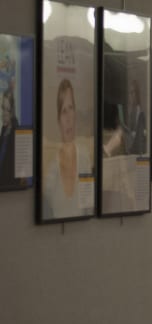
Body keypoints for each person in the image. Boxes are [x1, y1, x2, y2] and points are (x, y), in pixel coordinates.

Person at [42, 78, 92, 219]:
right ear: (59, 120)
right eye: (64, 111)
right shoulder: (51, 166)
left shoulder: (84, 156)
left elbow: (89, 209)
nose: (68, 117)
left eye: (71, 108)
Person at [0, 89, 18, 186]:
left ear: (12, 111)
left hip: (9, 188)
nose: (3, 113)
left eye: (7, 109)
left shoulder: (16, 132)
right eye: (2, 108)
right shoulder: (4, 129)